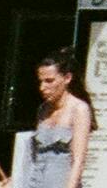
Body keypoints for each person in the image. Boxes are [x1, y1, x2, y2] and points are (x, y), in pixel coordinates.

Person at [23, 52, 92, 188]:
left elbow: (78, 161)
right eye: (40, 81)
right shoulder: (43, 109)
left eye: (49, 81)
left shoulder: (79, 109)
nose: (42, 88)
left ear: (67, 78)